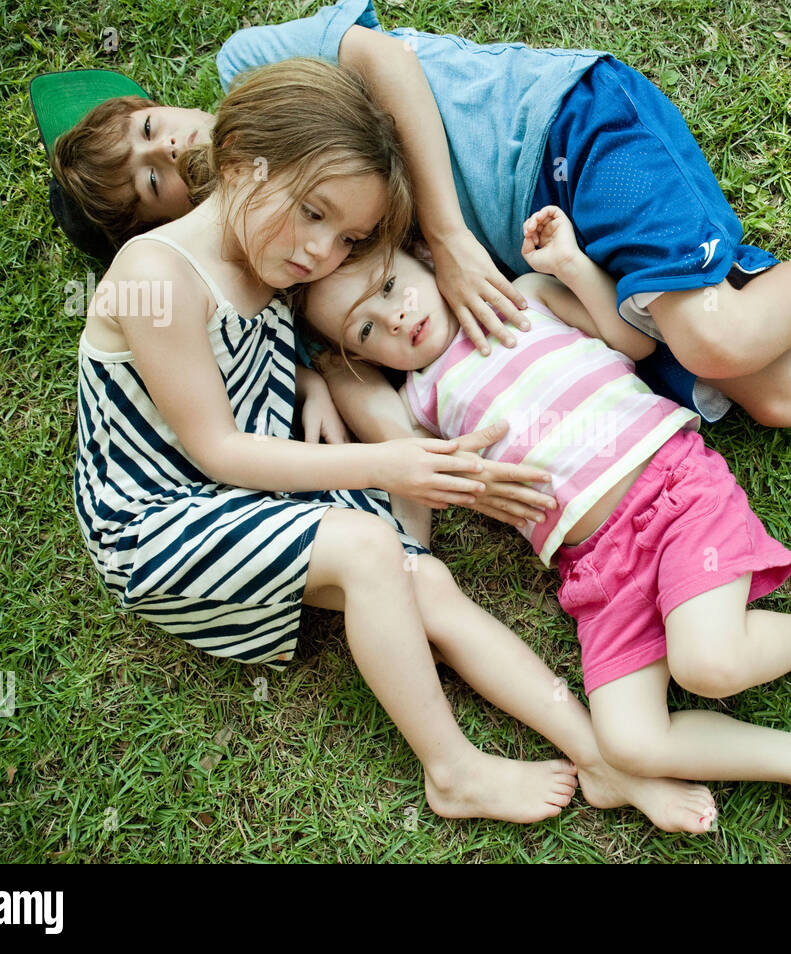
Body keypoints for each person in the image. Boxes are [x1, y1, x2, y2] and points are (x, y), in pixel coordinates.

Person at [48, 2, 791, 547]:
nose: (171, 154)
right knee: (775, 393)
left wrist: (445, 238)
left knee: (721, 342)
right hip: (558, 254)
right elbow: (326, 385)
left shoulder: (255, 69)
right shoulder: (277, 255)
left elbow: (382, 58)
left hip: (561, 133)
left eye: (151, 128)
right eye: (154, 183)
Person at [73, 56, 716, 830]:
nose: (318, 251)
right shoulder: (156, 271)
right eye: (313, 213)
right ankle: (452, 770)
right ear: (241, 157)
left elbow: (252, 353)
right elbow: (214, 448)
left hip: (256, 478)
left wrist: (308, 380)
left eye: (345, 237)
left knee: (428, 584)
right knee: (369, 552)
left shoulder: (269, 244)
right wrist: (388, 461)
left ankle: (601, 759)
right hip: (160, 514)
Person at [302, 205, 791, 863]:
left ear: (424, 254)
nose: (399, 318)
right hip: (594, 567)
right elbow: (386, 438)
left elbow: (632, 342)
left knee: (708, 665)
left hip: (671, 493)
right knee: (629, 743)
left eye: (389, 287)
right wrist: (323, 370)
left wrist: (572, 266)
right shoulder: (418, 409)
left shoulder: (515, 296)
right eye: (368, 329)